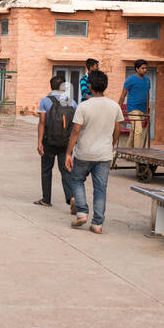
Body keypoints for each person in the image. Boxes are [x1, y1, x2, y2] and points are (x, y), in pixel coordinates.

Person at [64, 69, 120, 234]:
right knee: (100, 188)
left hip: (84, 153)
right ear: (105, 86)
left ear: (90, 86)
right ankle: (97, 224)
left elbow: (75, 131)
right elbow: (117, 130)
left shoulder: (84, 106)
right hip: (104, 154)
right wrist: (111, 144)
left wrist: (68, 153)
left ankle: (82, 212)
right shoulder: (114, 106)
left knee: (77, 180)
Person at [35, 75, 76, 210]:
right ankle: (71, 198)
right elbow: (75, 125)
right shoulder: (72, 102)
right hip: (66, 142)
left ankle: (46, 199)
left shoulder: (45, 101)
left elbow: (42, 122)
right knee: (66, 170)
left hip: (49, 141)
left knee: (46, 170)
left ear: (51, 86)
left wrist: (40, 142)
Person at [119, 60, 152, 148]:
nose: (145, 70)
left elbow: (147, 95)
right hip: (133, 110)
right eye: (143, 68)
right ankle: (137, 155)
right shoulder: (130, 80)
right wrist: (118, 109)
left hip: (142, 110)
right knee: (138, 131)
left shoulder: (147, 80)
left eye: (146, 68)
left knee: (134, 132)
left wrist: (146, 111)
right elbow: (123, 95)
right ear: (137, 69)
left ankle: (126, 152)